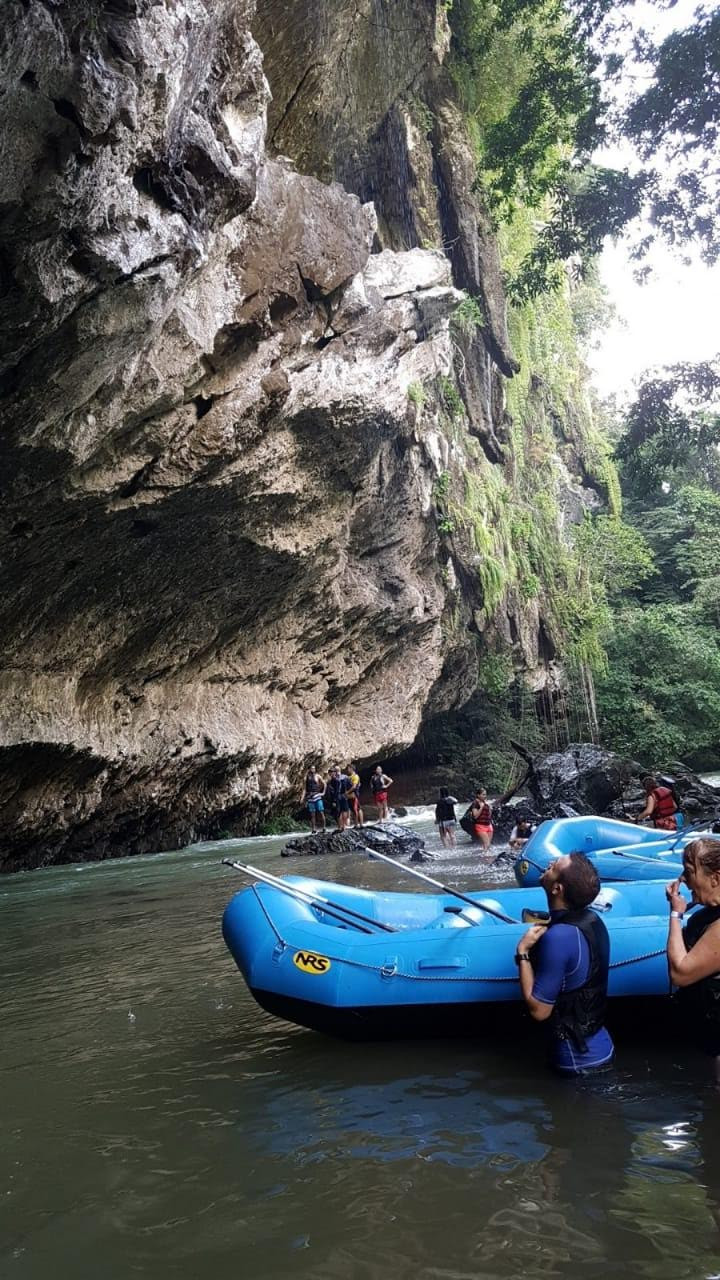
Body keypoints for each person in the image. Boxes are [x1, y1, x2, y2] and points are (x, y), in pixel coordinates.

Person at [514, 852, 615, 1076]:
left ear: (557, 889)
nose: (549, 864)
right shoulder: (592, 920)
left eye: (554, 866)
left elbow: (539, 1011)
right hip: (600, 1045)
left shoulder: (559, 937)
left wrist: (523, 953)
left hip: (576, 1060)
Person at [666, 838, 720, 1081]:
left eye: (689, 872)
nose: (683, 879)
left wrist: (675, 915)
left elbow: (680, 973)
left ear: (715, 879)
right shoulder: (707, 916)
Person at [302, 765, 326, 833]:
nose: (313, 769)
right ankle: (313, 829)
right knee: (312, 814)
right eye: (312, 768)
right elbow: (304, 789)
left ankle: (324, 827)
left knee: (321, 812)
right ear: (309, 769)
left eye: (314, 768)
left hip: (317, 796)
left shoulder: (317, 776)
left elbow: (324, 784)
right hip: (310, 796)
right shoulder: (306, 777)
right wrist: (302, 798)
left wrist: (323, 793)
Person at [326, 765, 351, 830]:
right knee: (341, 811)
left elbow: (336, 791)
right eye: (330, 773)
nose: (330, 774)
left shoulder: (335, 780)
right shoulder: (336, 780)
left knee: (340, 812)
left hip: (338, 797)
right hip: (341, 796)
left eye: (332, 772)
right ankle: (342, 826)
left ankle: (341, 826)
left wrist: (334, 800)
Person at [346, 764, 364, 828]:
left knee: (357, 809)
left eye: (348, 768)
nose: (347, 770)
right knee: (353, 810)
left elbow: (354, 786)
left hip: (354, 795)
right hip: (350, 796)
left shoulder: (355, 776)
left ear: (351, 769)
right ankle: (356, 824)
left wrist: (347, 792)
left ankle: (360, 824)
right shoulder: (349, 777)